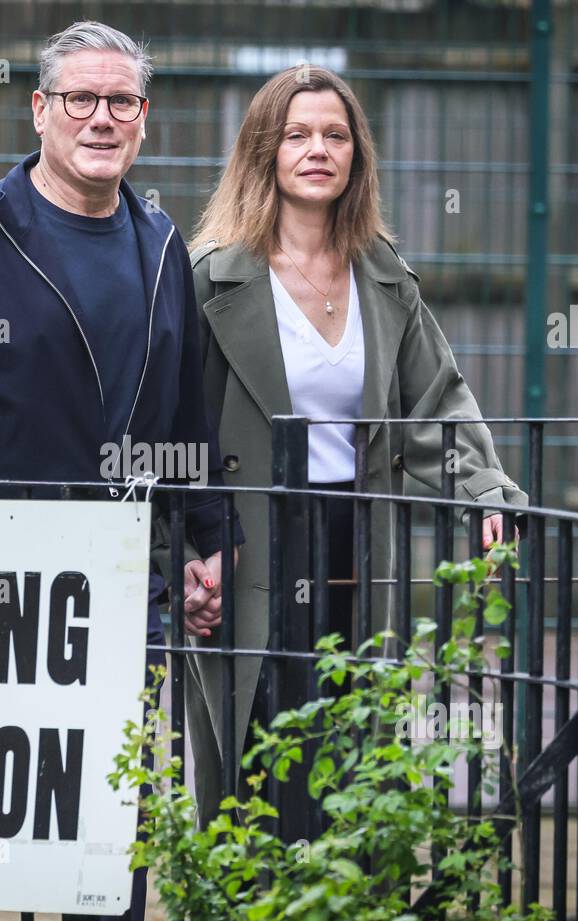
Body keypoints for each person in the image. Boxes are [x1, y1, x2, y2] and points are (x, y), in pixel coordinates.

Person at [0, 20, 242, 921]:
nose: (101, 118)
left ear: (144, 119)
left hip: (117, 589)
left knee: (102, 855)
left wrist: (206, 541)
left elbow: (182, 419)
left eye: (121, 101)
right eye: (80, 98)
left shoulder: (159, 244)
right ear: (40, 110)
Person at [158, 65, 528, 832]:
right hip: (248, 540)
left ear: (357, 154)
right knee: (250, 760)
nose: (317, 148)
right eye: (296, 134)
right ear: (265, 151)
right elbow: (173, 426)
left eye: (335, 134)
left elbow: (437, 403)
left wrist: (487, 491)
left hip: (356, 539)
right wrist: (189, 548)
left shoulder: (384, 275)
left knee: (355, 741)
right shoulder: (207, 280)